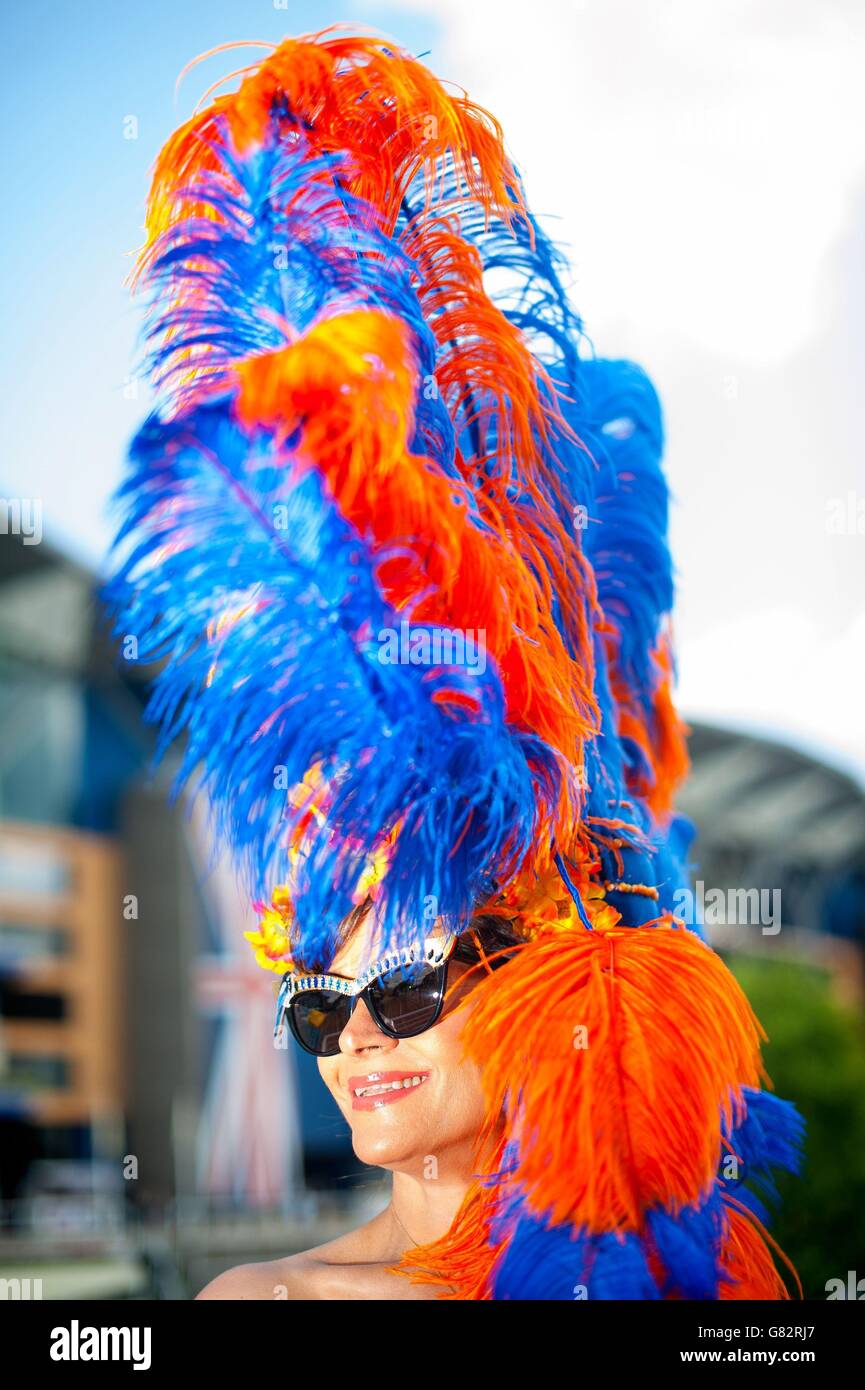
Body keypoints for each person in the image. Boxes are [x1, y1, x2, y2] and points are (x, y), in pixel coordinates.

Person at [108, 27, 803, 1300]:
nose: (355, 1033)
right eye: (317, 1003)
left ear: (548, 980)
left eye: (413, 985)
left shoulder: (684, 1281)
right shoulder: (258, 1301)